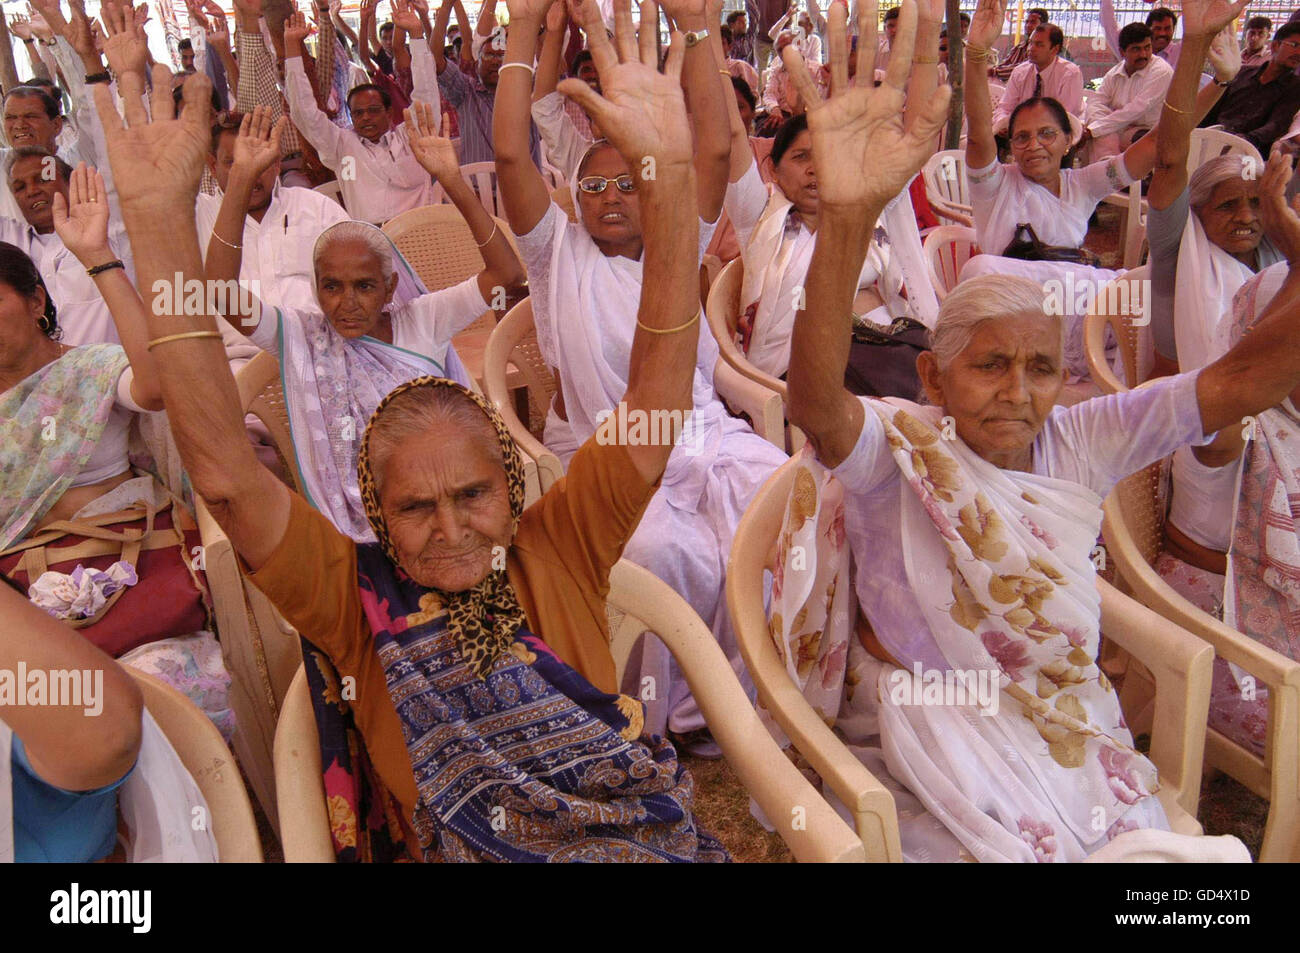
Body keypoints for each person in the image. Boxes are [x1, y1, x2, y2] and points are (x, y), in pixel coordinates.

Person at [90, 0, 733, 862]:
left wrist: (671, 179)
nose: (451, 526)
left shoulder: (563, 545)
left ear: (511, 487)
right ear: (378, 516)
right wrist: (161, 226)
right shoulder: (356, 603)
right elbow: (229, 479)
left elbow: (656, 402)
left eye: (472, 494)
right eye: (415, 506)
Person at [782, 0, 1263, 863]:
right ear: (933, 375)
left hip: (1062, 714)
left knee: (1193, 895)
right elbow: (816, 405)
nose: (1019, 393)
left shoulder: (1080, 438)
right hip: (936, 733)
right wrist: (848, 222)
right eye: (989, 366)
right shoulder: (902, 451)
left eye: (1041, 368)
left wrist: (1195, 46)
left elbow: (1234, 382)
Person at [497, 0, 788, 748]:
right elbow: (507, 156)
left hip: (702, 435)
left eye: (630, 182)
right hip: (609, 458)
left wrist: (696, 28)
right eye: (594, 186)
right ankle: (673, 716)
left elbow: (719, 150)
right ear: (574, 199)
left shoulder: (673, 238)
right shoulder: (554, 252)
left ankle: (771, 683)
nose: (612, 197)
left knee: (791, 496)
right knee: (666, 553)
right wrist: (528, 26)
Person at [206, 106, 524, 543]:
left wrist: (451, 181)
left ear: (391, 287)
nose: (348, 304)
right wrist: (240, 181)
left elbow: (507, 275)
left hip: (452, 503)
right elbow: (222, 293)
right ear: (315, 289)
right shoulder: (302, 335)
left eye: (365, 286)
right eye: (332, 287)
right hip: (368, 531)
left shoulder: (423, 320)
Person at [0, 163, 235, 738]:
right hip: (22, 615)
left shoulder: (86, 370)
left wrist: (99, 258)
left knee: (138, 710)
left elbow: (158, 385)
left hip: (128, 600)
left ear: (36, 302)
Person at [960, 0, 1227, 378]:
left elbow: (1156, 143)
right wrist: (975, 54)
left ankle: (1174, 389)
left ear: (1068, 140)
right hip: (1013, 312)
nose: (1034, 145)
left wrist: (1219, 82)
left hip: (1074, 306)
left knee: (1155, 287)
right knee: (981, 269)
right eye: (1022, 138)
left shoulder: (1082, 183)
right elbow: (977, 129)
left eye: (1047, 134)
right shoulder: (995, 183)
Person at [1147, 22, 1270, 377]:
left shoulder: (1274, 251)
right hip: (1190, 415)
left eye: (1257, 203)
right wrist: (1199, 52)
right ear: (1196, 211)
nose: (1246, 217)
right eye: (1228, 205)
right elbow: (1169, 158)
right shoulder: (1178, 247)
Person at [283, 3, 442, 224]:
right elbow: (304, 113)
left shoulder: (411, 137)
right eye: (358, 113)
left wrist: (416, 35)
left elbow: (427, 94)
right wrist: (292, 49)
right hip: (372, 242)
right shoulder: (341, 145)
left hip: (422, 234)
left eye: (373, 111)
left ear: (389, 113)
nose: (365, 117)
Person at [198, 111, 351, 315]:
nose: (250, 172)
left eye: (259, 160)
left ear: (277, 163)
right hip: (238, 347)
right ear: (213, 166)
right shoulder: (196, 216)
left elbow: (358, 278)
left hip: (318, 341)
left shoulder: (316, 208)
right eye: (234, 163)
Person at [0, 149, 135, 347]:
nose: (32, 191)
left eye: (43, 179)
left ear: (71, 183)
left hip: (110, 374)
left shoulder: (108, 231)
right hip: (38, 377)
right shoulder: (10, 240)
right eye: (20, 187)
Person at [434, 10, 540, 164]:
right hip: (477, 187)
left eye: (502, 56)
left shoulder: (527, 90)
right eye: (489, 55)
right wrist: (448, 4)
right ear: (477, 65)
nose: (496, 62)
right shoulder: (465, 91)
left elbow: (553, 65)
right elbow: (436, 60)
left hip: (526, 186)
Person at [1200, 22, 1300, 157]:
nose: (1298, 52)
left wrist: (1240, 142)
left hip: (1247, 155)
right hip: (1210, 140)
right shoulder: (1240, 73)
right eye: (1295, 45)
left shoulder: (1295, 88)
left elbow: (1276, 125)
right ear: (1275, 45)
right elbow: (1211, 109)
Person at [1079, 23, 1173, 163]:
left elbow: (1135, 110)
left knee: (1099, 134)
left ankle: (1108, 173)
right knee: (1096, 114)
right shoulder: (1115, 73)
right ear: (1122, 52)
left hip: (1149, 132)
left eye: (1147, 48)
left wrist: (1094, 130)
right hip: (1118, 130)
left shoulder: (1161, 71)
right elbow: (1096, 101)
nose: (1143, 54)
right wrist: (1095, 126)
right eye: (1136, 49)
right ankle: (1108, 171)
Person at [990, 23, 1083, 137]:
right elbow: (1005, 107)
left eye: (1039, 45)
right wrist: (1003, 124)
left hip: (1055, 134)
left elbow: (1064, 116)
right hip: (1019, 132)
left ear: (1055, 49)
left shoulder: (1069, 74)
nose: (1031, 49)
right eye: (1030, 43)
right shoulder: (1020, 72)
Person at [992, 6, 1046, 80]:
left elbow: (1024, 69)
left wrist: (994, 71)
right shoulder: (1019, 48)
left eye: (1033, 22)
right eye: (1027, 22)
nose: (1028, 25)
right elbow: (1004, 64)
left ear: (1043, 25)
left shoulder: (1044, 49)